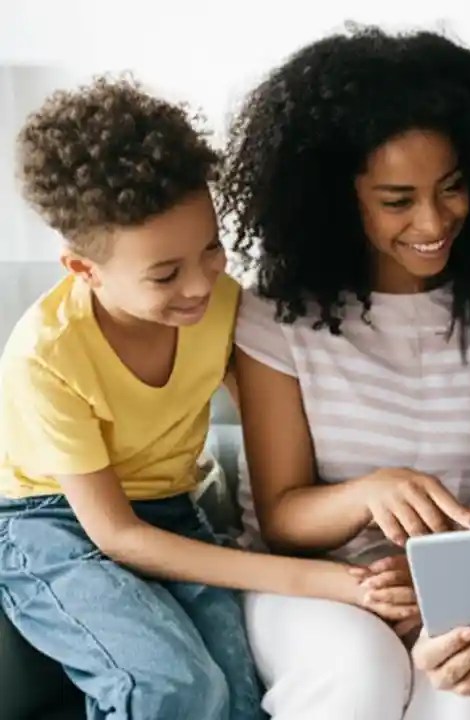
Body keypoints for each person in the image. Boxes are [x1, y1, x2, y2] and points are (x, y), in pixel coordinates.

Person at [0, 77, 389, 720]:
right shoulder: (47, 355)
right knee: (173, 686)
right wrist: (322, 581)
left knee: (237, 697)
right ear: (84, 271)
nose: (200, 282)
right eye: (164, 273)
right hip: (53, 524)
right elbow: (117, 534)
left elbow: (284, 422)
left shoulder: (222, 305)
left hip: (172, 509)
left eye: (210, 248)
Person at [219, 28, 470, 720]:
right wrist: (373, 493)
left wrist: (446, 583)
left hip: (447, 587)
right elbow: (282, 516)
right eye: (396, 200)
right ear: (337, 198)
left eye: (452, 188)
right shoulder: (275, 317)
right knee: (360, 670)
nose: (433, 220)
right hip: (311, 587)